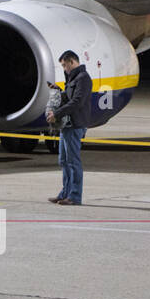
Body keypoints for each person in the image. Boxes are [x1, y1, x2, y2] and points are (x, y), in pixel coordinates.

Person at [47, 50, 92, 206]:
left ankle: (74, 196)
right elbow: (69, 98)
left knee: (73, 162)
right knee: (64, 160)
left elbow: (77, 102)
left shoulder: (83, 79)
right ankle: (65, 193)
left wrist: (57, 114)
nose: (64, 69)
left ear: (72, 62)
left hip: (75, 124)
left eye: (65, 65)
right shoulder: (73, 78)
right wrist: (59, 91)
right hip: (67, 125)